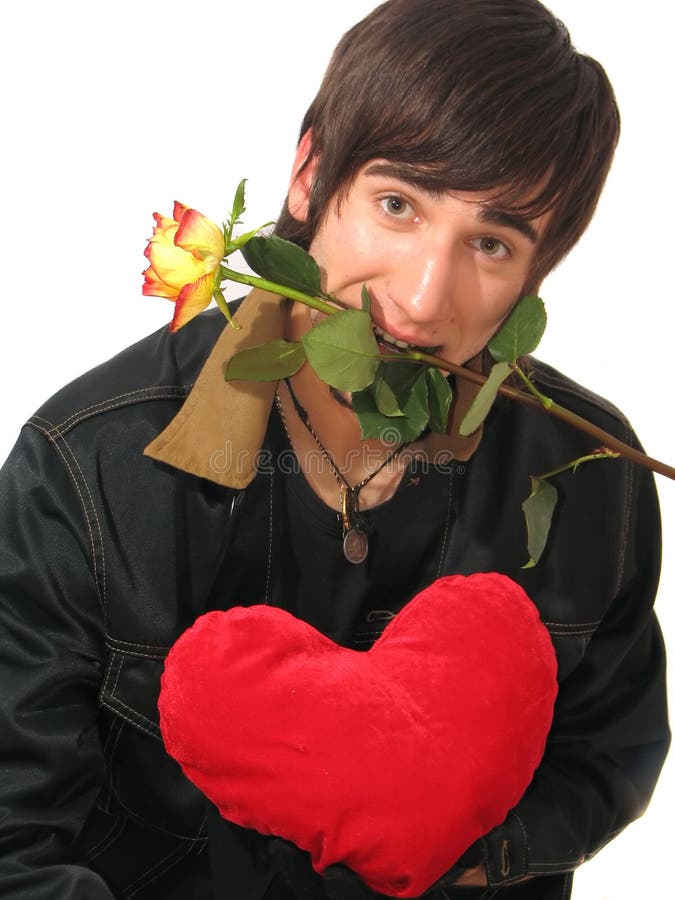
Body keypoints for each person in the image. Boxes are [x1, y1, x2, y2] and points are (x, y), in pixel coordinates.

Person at [0, 1, 669, 898]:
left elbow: (607, 751)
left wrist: (459, 853)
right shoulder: (85, 467)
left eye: (491, 243)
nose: (425, 299)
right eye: (397, 205)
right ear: (310, 175)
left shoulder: (589, 474)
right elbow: (15, 843)